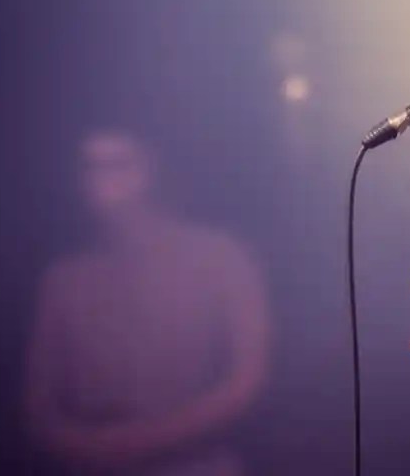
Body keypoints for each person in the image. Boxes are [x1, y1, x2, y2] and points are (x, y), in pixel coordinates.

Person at [24, 127, 268, 476]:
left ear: (153, 167)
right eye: (89, 166)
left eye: (118, 164)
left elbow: (246, 379)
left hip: (195, 465)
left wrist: (139, 440)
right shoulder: (64, 279)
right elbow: (39, 404)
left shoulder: (220, 257)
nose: (101, 179)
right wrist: (84, 445)